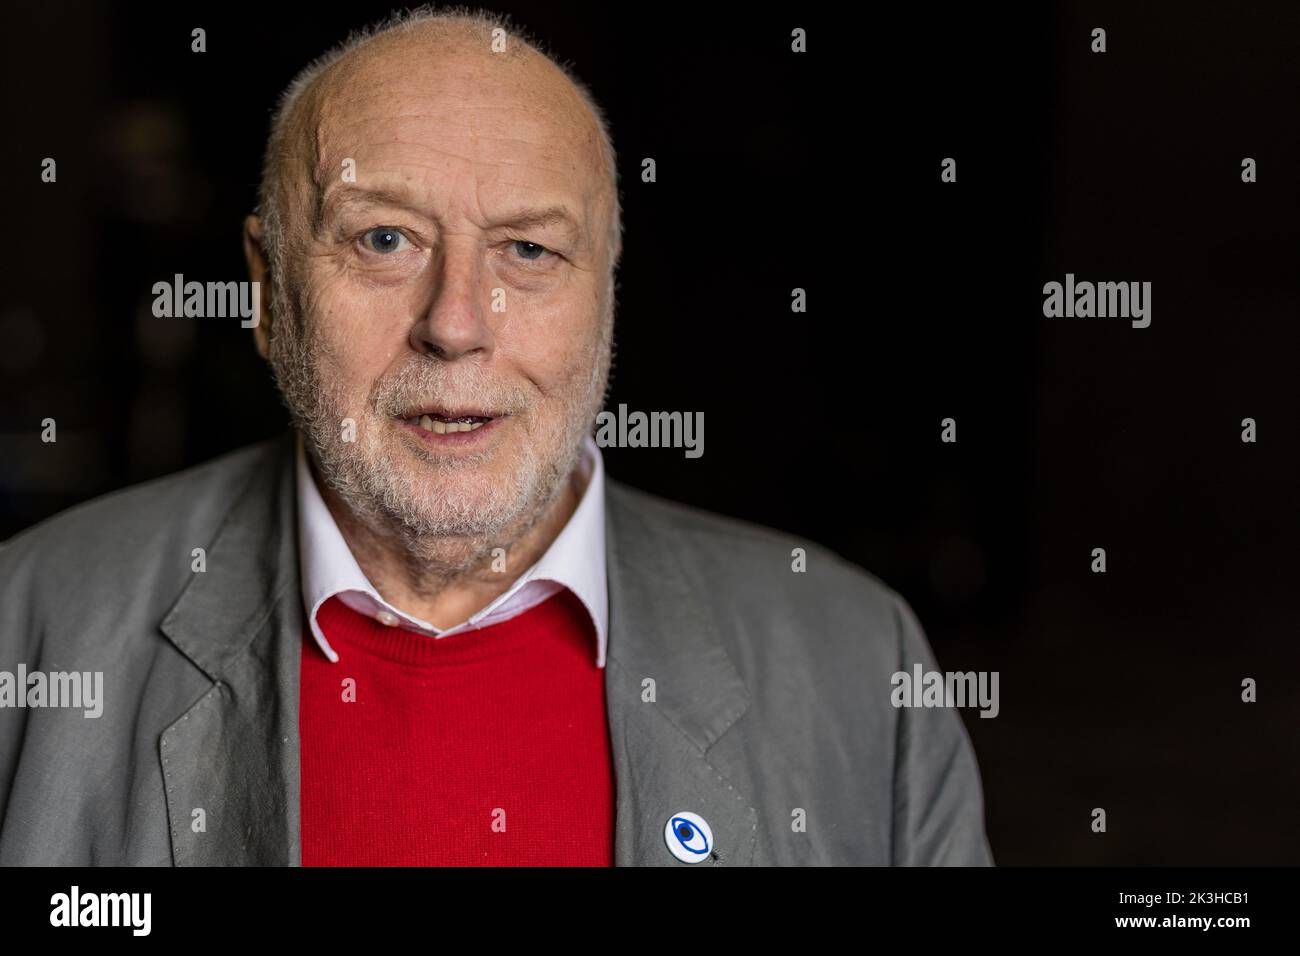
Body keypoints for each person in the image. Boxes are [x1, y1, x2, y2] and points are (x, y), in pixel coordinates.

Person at [0, 7, 993, 866]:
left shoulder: (857, 659)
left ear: (605, 293)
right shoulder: (30, 628)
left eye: (528, 248)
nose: (458, 321)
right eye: (384, 239)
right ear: (266, 291)